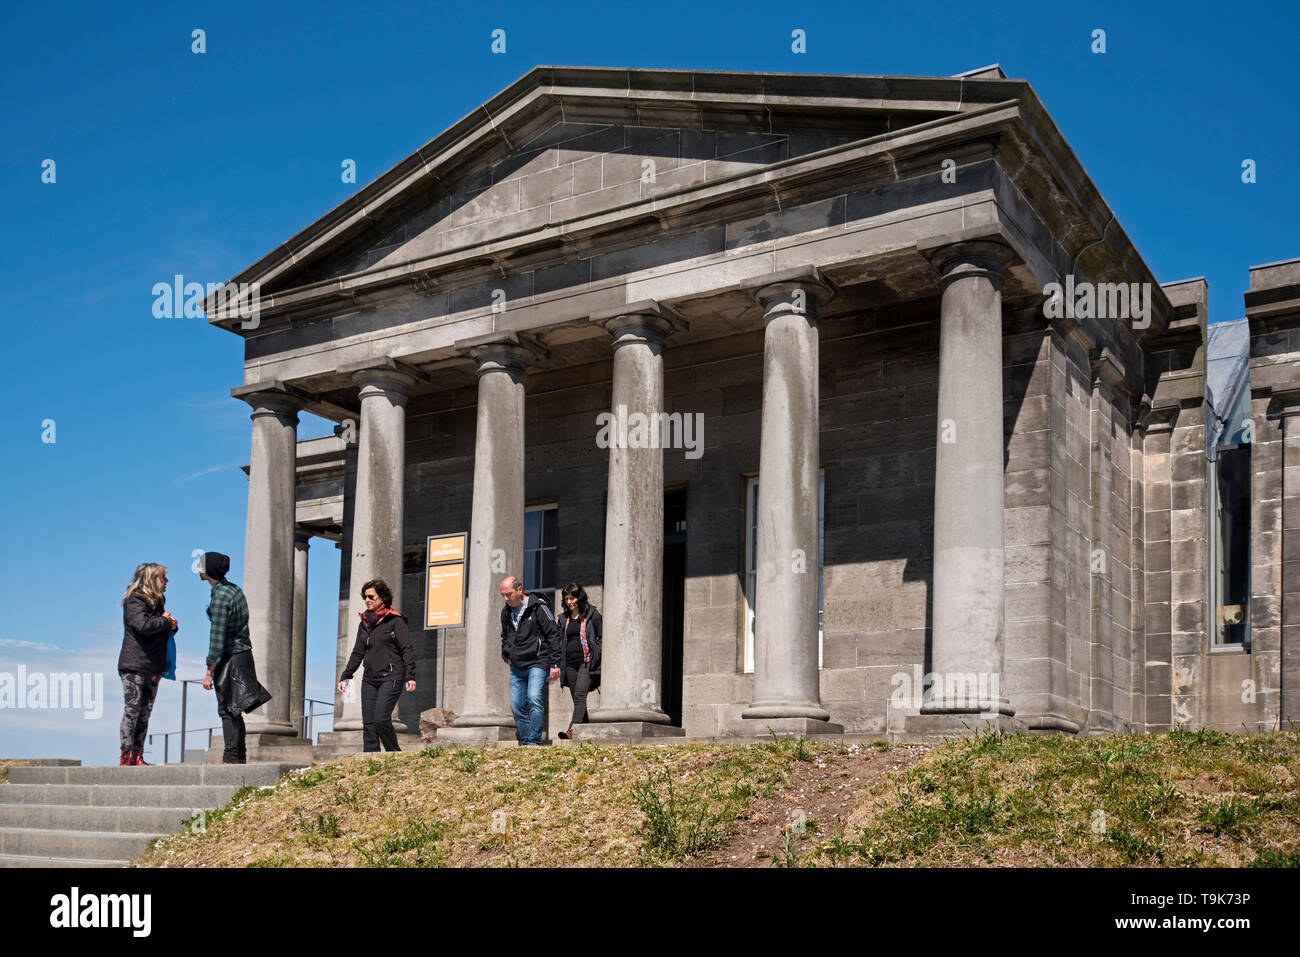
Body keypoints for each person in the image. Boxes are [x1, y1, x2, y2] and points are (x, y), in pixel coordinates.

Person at [199, 551, 269, 764]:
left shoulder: (221, 597)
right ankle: (239, 757)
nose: (198, 568)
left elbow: (217, 637)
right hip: (242, 655)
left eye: (201, 565)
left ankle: (230, 758)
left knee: (227, 709)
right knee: (235, 708)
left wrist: (209, 671)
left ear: (209, 570)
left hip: (230, 657)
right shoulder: (233, 590)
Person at [337, 579, 415, 752]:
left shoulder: (395, 621)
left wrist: (410, 675)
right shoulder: (364, 624)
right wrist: (346, 676)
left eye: (371, 596)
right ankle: (370, 759)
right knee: (369, 723)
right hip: (369, 679)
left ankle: (393, 754)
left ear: (382, 597)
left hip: (391, 677)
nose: (367, 600)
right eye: (365, 597)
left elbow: (406, 649)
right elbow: (357, 652)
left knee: (381, 719)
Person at [118, 563, 178, 766]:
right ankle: (126, 756)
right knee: (133, 709)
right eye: (163, 578)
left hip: (153, 666)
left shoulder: (158, 603)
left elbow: (156, 629)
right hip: (134, 664)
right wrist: (164, 621)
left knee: (145, 713)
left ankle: (138, 755)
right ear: (152, 579)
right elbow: (142, 626)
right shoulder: (134, 600)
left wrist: (171, 626)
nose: (166, 582)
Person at [498, 576, 561, 745]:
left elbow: (554, 634)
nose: (506, 598)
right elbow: (505, 636)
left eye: (508, 594)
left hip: (537, 661)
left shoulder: (538, 607)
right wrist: (507, 655)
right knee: (517, 705)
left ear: (520, 590)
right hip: (517, 664)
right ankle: (526, 741)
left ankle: (534, 741)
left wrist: (555, 664)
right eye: (503, 595)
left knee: (533, 698)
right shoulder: (506, 612)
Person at [555, 582, 602, 740]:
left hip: (586, 662)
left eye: (572, 597)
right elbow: (559, 641)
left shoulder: (592, 615)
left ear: (579, 597)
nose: (569, 601)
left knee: (580, 695)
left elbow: (602, 636)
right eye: (567, 598)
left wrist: (597, 654)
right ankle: (587, 732)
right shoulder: (563, 619)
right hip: (569, 664)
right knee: (577, 699)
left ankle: (572, 730)